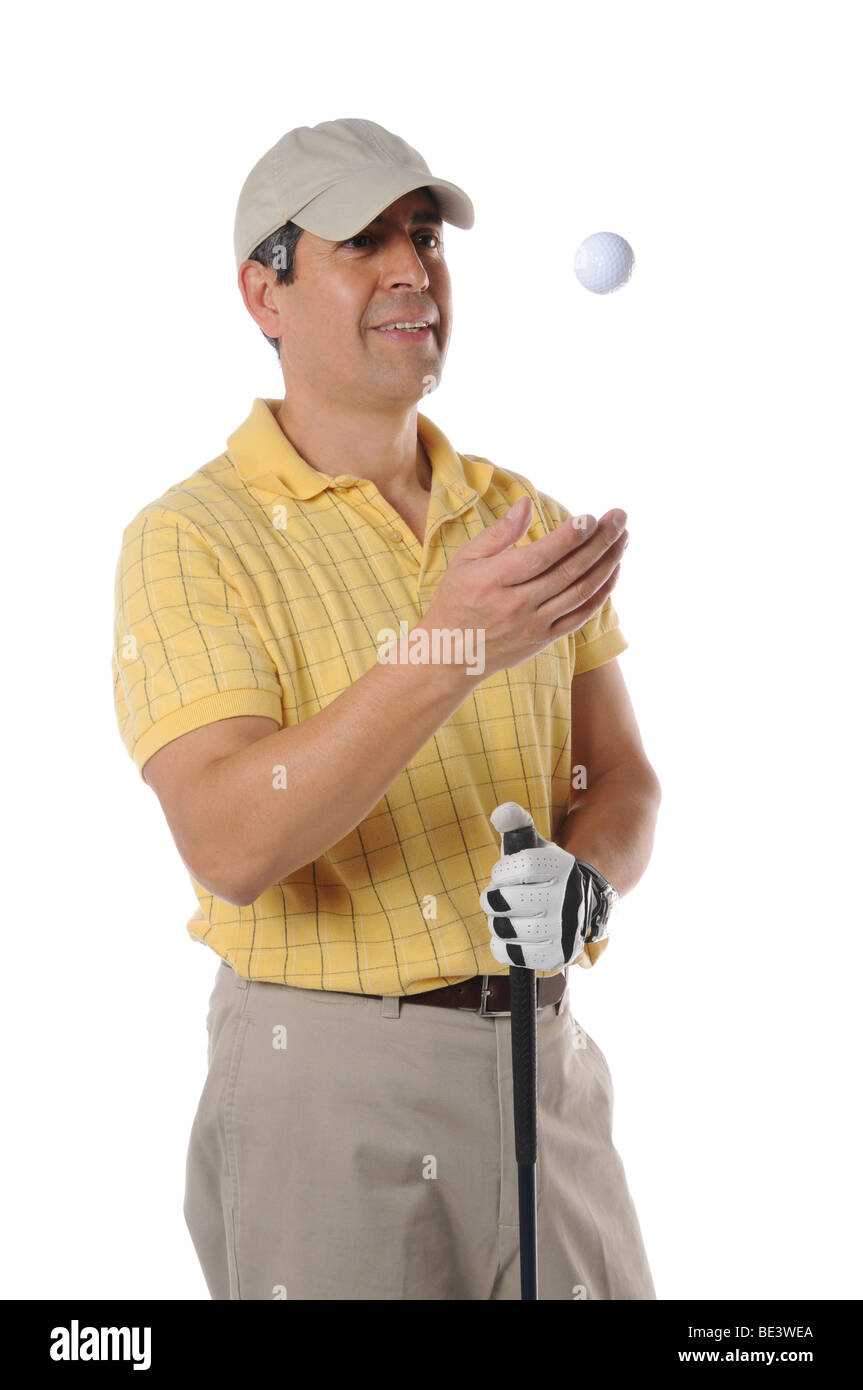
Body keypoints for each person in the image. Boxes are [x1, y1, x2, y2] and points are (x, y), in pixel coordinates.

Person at [111, 117, 661, 1301]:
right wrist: (457, 645)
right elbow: (229, 840)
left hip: (543, 1058)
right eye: (361, 241)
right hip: (326, 1081)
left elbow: (620, 777)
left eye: (421, 236)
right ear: (266, 291)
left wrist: (583, 884)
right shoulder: (188, 540)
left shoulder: (516, 513)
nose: (412, 268)